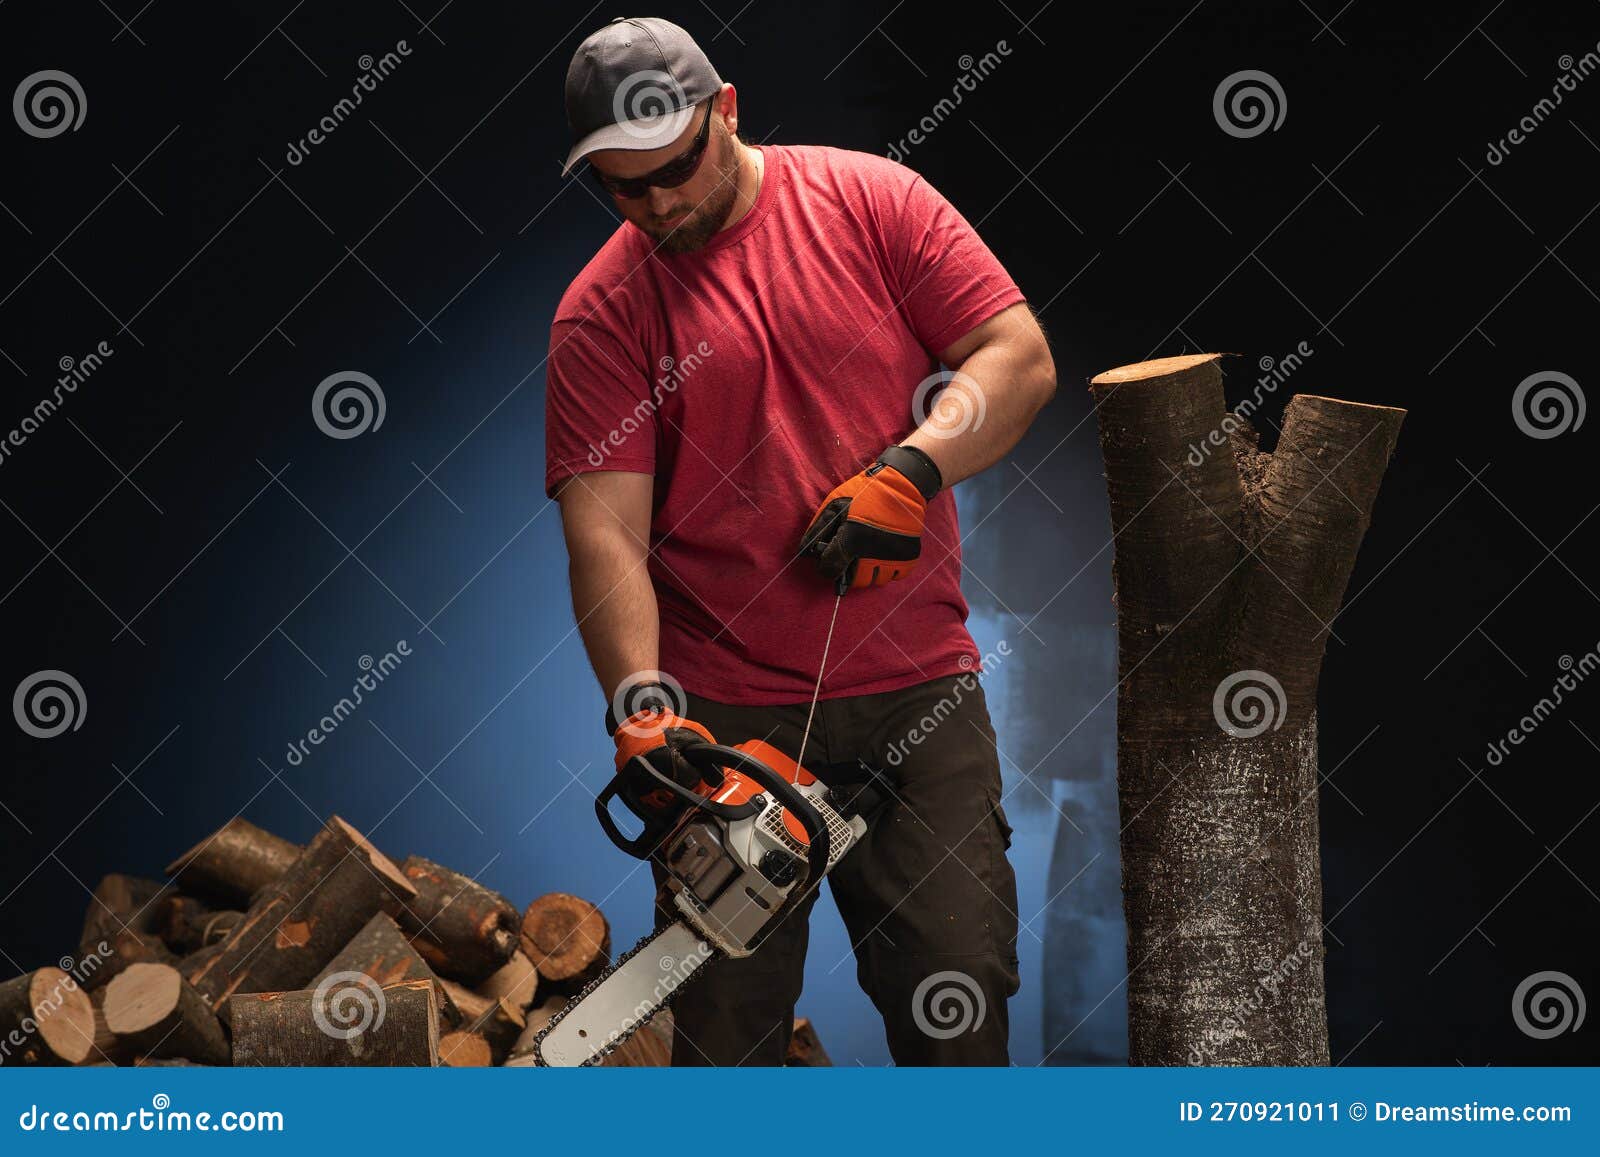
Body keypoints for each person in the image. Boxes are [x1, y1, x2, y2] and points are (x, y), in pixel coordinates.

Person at [545, 16, 1056, 1065]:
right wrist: (642, 705)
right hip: (727, 721)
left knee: (957, 990)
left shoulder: (872, 202)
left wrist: (911, 471)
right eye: (624, 187)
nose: (660, 204)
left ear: (724, 110)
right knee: (727, 1033)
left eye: (676, 169)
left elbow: (1018, 356)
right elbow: (603, 532)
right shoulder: (602, 313)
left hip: (918, 691)